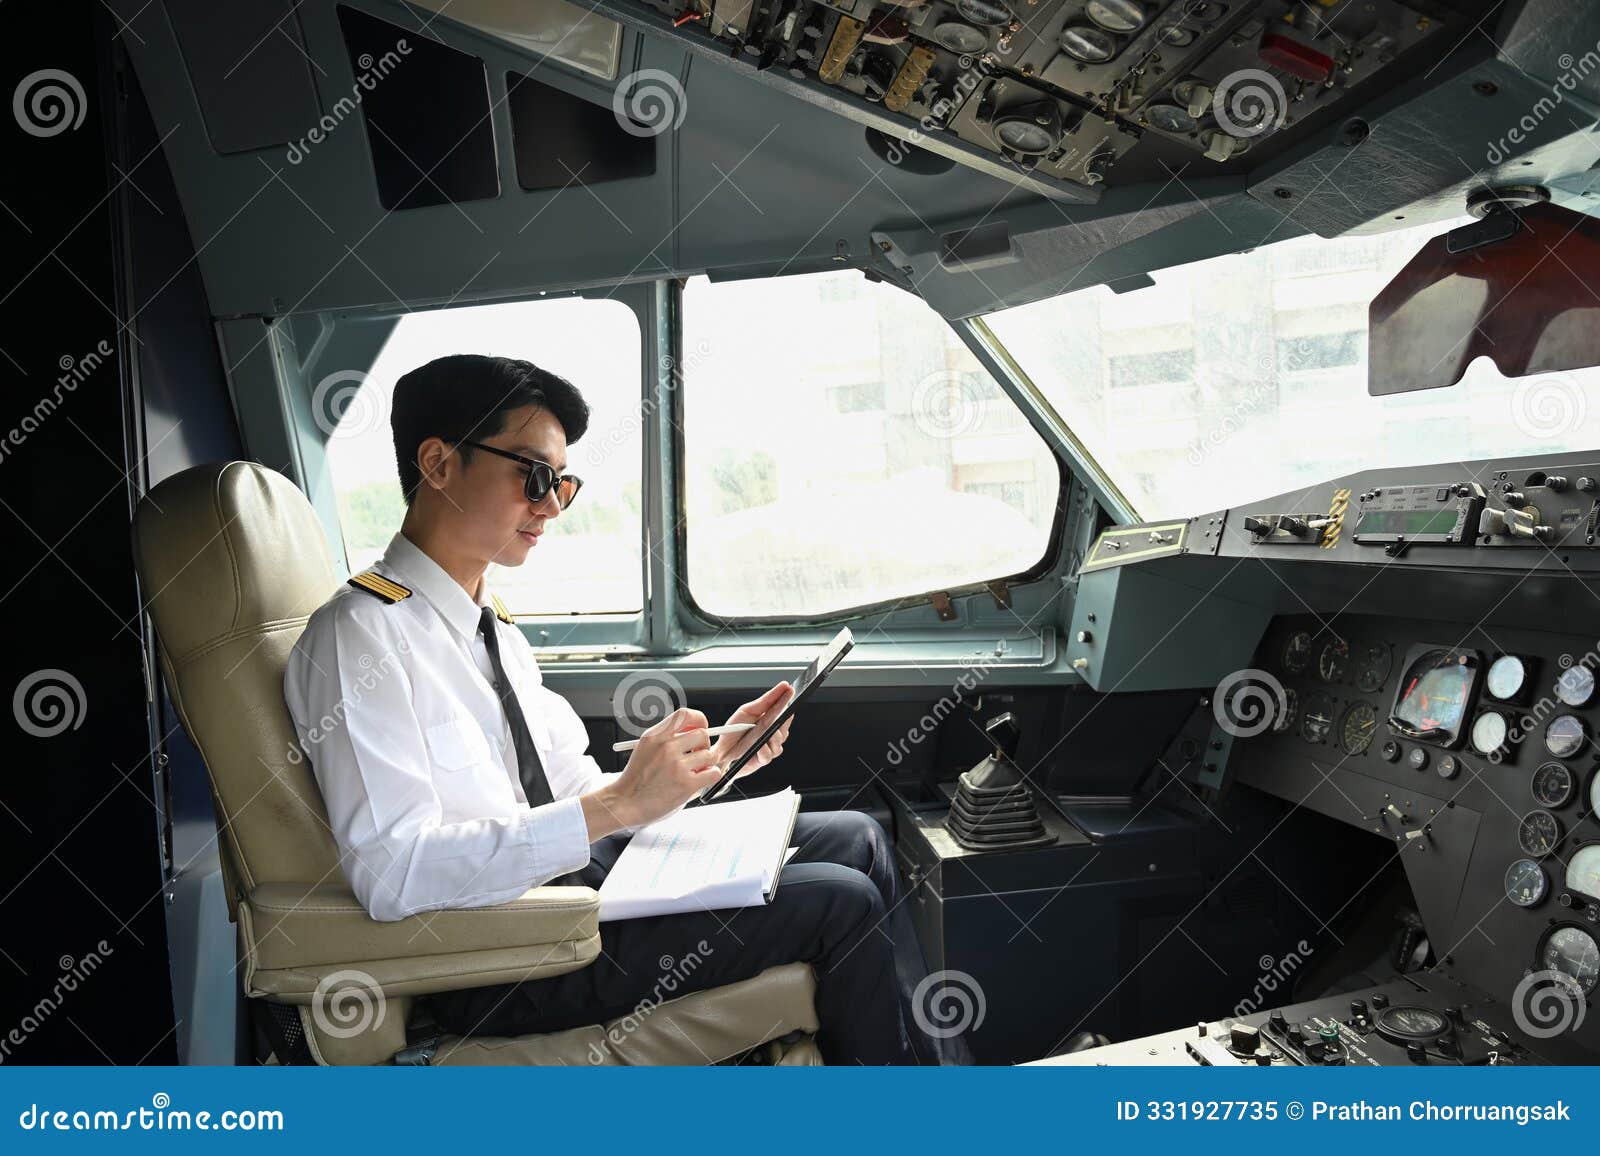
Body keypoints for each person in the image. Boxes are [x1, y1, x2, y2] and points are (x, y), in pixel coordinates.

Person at [283, 354, 927, 1064]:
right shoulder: (359, 637)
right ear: (438, 463)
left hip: (572, 887)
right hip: (498, 952)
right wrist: (617, 808)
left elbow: (576, 792)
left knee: (859, 837)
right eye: (533, 477)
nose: (553, 505)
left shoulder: (490, 626)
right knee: (842, 900)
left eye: (563, 483)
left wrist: (713, 765)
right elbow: (391, 871)